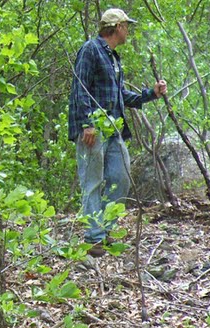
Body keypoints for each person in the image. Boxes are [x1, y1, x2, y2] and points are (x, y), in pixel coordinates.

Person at [68, 7, 167, 255]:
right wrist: (86, 124)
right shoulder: (91, 50)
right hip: (93, 129)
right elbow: (80, 88)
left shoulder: (113, 57)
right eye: (127, 26)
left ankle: (106, 231)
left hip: (114, 129)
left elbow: (121, 96)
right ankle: (93, 238)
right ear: (118, 27)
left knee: (120, 178)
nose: (128, 31)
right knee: (93, 182)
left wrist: (151, 94)